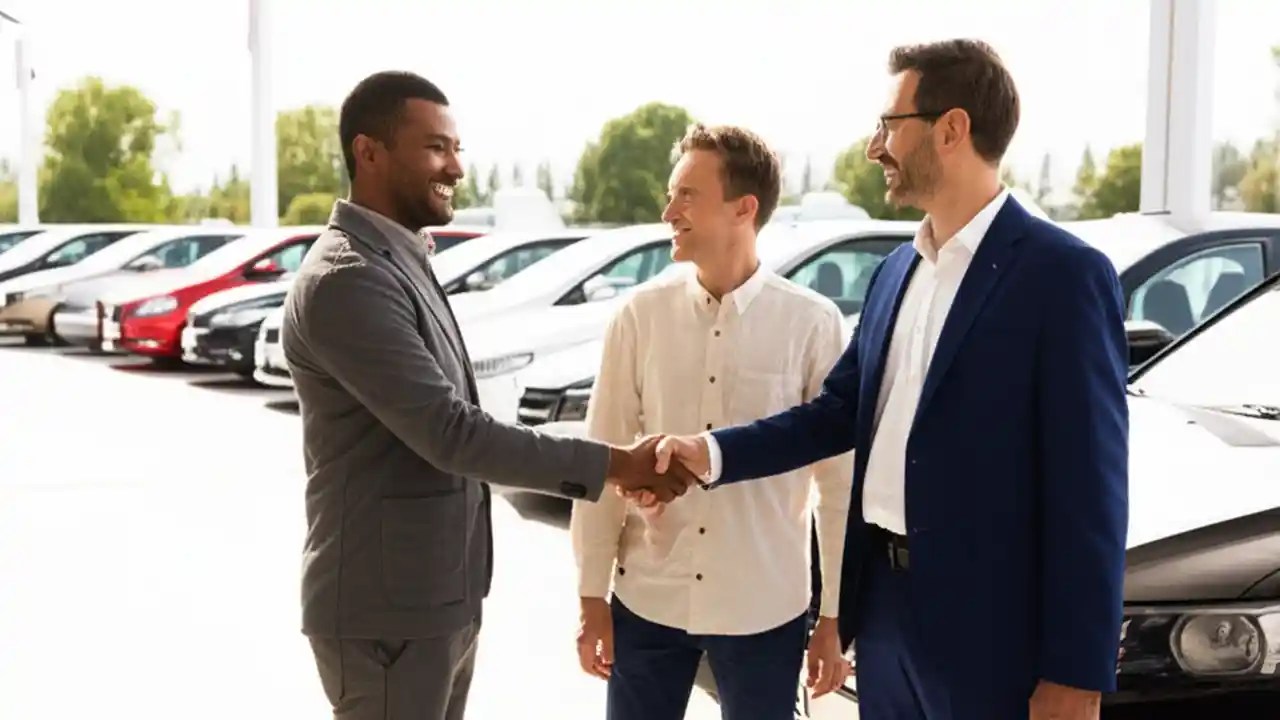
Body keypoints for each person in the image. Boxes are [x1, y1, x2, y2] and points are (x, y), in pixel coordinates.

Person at [652, 40, 1129, 720]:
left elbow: (1091, 491)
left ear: (951, 128)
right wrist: (709, 453)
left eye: (889, 124)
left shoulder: (1063, 275)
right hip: (885, 619)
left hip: (993, 637)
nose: (875, 146)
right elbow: (836, 412)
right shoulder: (895, 273)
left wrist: (1076, 674)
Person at [281, 70, 697, 720]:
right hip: (386, 614)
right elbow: (451, 432)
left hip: (431, 600)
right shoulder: (347, 278)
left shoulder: (396, 257)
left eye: (456, 149)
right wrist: (619, 464)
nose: (455, 168)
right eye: (435, 148)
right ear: (369, 152)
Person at [570, 123, 854, 720]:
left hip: (764, 609)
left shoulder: (812, 323)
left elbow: (837, 485)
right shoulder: (639, 316)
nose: (668, 211)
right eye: (671, 195)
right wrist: (591, 595)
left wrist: (833, 615)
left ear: (743, 208)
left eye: (687, 195)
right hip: (648, 598)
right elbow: (602, 456)